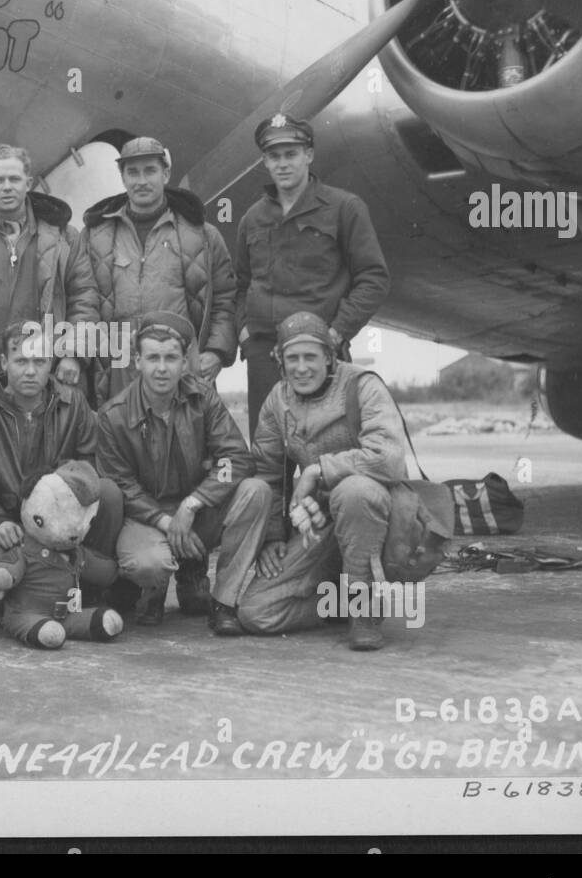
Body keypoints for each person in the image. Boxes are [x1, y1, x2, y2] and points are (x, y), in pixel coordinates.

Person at [218, 311, 411, 649]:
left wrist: (317, 469)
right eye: (292, 357)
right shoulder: (278, 400)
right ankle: (337, 602)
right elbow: (268, 474)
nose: (302, 367)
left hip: (375, 513)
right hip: (320, 521)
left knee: (355, 491)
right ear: (280, 360)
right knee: (256, 613)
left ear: (329, 357)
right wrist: (273, 537)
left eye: (311, 357)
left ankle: (364, 609)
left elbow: (389, 458)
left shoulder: (362, 385)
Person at [95, 312, 270, 626]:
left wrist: (193, 503)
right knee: (148, 564)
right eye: (153, 358)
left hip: (198, 509)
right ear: (137, 361)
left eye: (171, 358)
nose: (161, 368)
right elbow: (121, 485)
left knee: (256, 492)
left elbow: (235, 459)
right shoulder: (113, 416)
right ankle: (154, 586)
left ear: (184, 362)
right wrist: (166, 521)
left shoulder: (204, 399)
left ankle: (224, 601)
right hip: (147, 517)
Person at [234, 115, 390, 435]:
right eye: (274, 156)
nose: (283, 164)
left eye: (291, 154)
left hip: (320, 352)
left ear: (309, 155)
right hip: (265, 353)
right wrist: (244, 333)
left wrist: (336, 333)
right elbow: (240, 285)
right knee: (269, 458)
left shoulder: (344, 207)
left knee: (330, 449)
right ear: (264, 161)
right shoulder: (252, 219)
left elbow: (373, 277)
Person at [0, 320, 126, 622]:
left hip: (62, 519)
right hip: (5, 521)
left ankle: (87, 591)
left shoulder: (73, 402)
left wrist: (62, 492)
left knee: (109, 493)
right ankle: (5, 606)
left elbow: (91, 464)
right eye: (21, 361)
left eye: (39, 361)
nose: (30, 371)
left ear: (50, 362)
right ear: (3, 362)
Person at [79, 137, 237, 405]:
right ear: (122, 177)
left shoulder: (203, 235)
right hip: (117, 367)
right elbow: (82, 299)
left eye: (150, 171)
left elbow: (225, 298)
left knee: (182, 443)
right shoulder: (94, 236)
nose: (141, 181)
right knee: (120, 443)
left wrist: (217, 352)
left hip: (180, 366)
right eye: (133, 172)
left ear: (165, 174)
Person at [0, 144, 98, 400]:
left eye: (14, 179)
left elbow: (84, 298)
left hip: (49, 370)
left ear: (28, 182)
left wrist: (73, 353)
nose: (7, 186)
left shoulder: (65, 238)